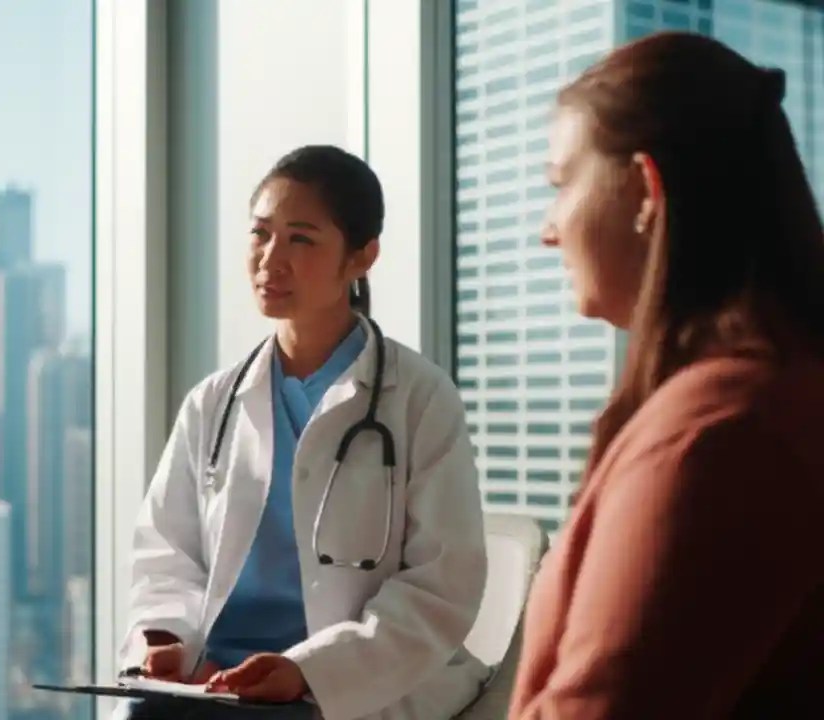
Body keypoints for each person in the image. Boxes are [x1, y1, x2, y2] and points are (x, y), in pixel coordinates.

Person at [511, 31, 824, 718]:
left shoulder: (722, 433)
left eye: (561, 185)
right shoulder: (761, 396)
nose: (548, 229)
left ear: (646, 189)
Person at [121, 145, 490, 720]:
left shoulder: (419, 398)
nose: (271, 260)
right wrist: (166, 639)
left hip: (354, 682)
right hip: (221, 674)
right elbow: (168, 552)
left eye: (301, 239)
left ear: (361, 258)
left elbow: (441, 584)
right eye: (260, 234)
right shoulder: (214, 402)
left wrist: (311, 670)